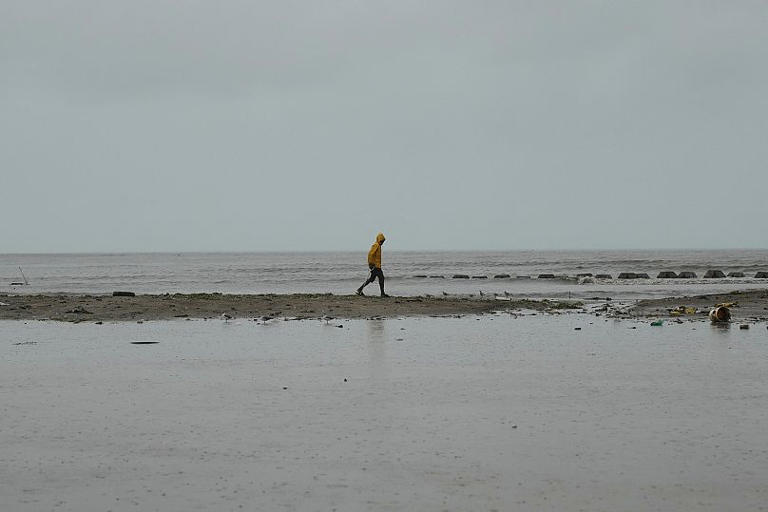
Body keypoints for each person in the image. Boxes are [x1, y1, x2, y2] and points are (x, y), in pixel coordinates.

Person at [356, 232, 389, 297]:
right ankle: (382, 293)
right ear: (379, 240)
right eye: (381, 241)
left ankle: (360, 289)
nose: (382, 242)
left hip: (377, 265)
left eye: (383, 241)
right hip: (375, 266)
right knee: (381, 278)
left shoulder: (378, 246)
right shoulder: (376, 245)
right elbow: (370, 254)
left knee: (371, 279)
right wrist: (371, 264)